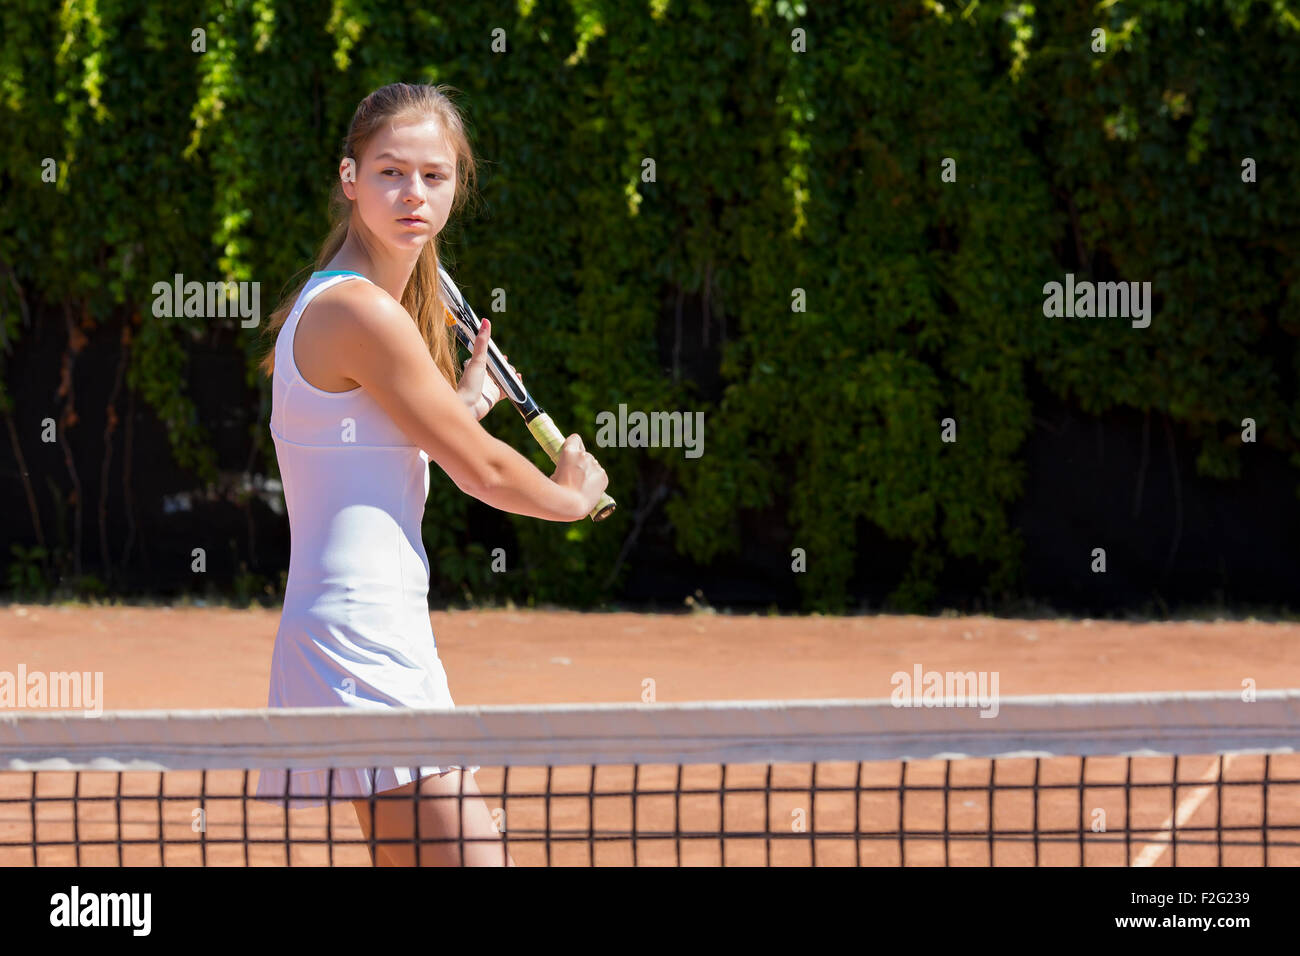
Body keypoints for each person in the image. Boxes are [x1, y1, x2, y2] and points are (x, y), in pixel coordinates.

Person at [252, 82, 608, 866]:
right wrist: (572, 499)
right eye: (389, 172)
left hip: (369, 629)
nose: (414, 193)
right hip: (361, 637)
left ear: (458, 184)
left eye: (435, 176)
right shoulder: (361, 311)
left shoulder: (354, 307)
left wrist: (458, 405)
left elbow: (368, 455)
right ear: (350, 179)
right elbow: (479, 470)